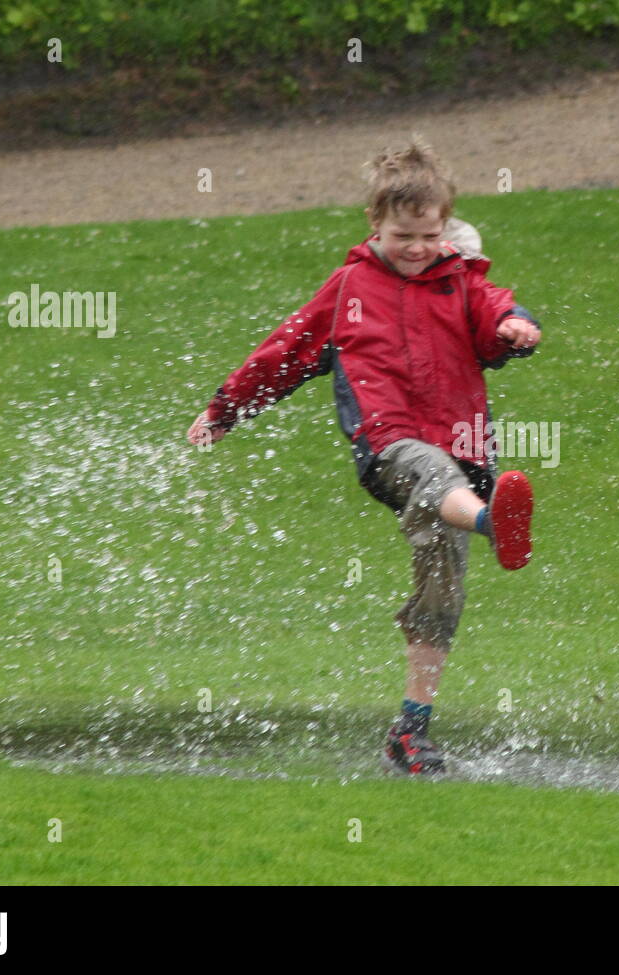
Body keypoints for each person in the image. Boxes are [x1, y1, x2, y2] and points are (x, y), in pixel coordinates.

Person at [185, 137, 542, 775]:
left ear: (446, 227)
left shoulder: (463, 282)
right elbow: (285, 352)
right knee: (432, 473)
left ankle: (412, 732)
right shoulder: (350, 286)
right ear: (375, 224)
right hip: (389, 444)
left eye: (429, 235)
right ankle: (495, 522)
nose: (416, 248)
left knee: (442, 593)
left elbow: (494, 316)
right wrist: (224, 410)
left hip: (463, 453)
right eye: (403, 235)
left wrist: (514, 326)